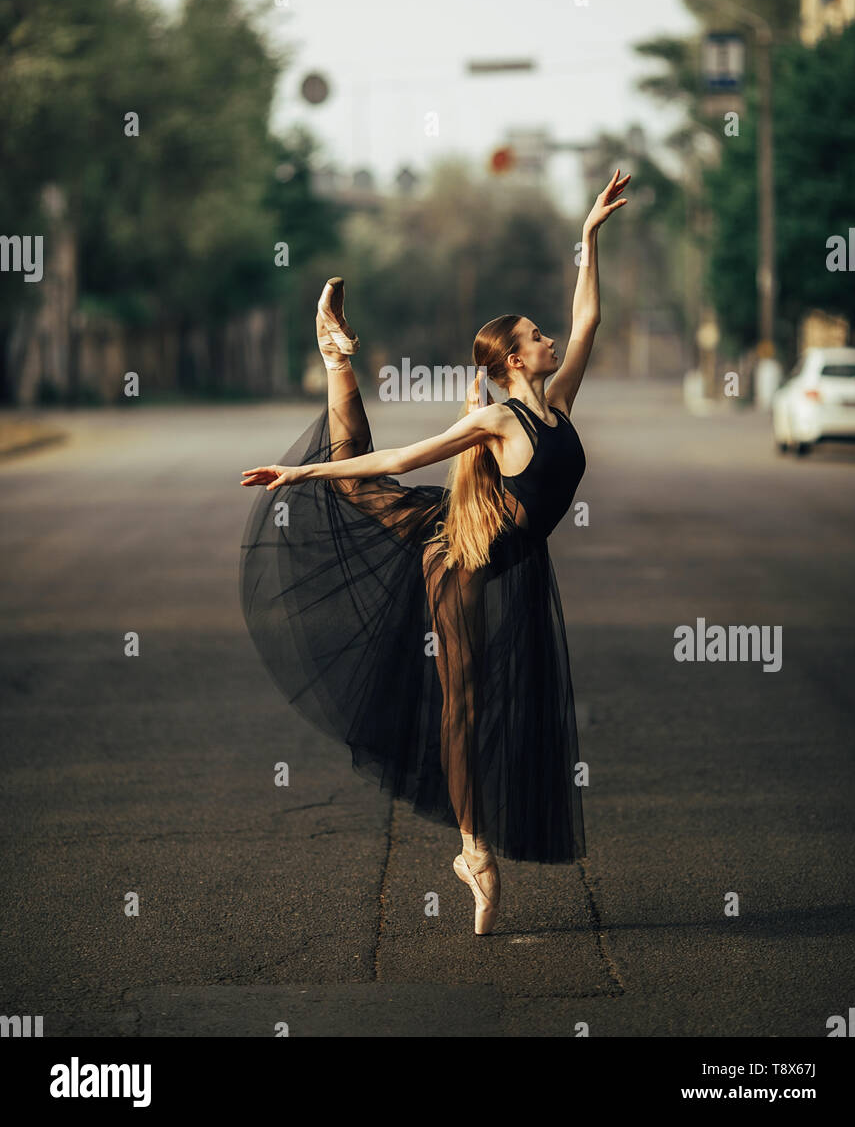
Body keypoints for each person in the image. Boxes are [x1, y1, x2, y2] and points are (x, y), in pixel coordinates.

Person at [240, 169, 630, 935]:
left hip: (496, 548)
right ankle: (474, 853)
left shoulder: (555, 404)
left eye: (544, 335)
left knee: (485, 701)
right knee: (466, 706)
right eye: (536, 337)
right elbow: (397, 461)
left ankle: (336, 359)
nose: (551, 338)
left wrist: (587, 237)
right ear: (514, 360)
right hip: (457, 560)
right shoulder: (497, 421)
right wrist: (300, 470)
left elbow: (588, 321)